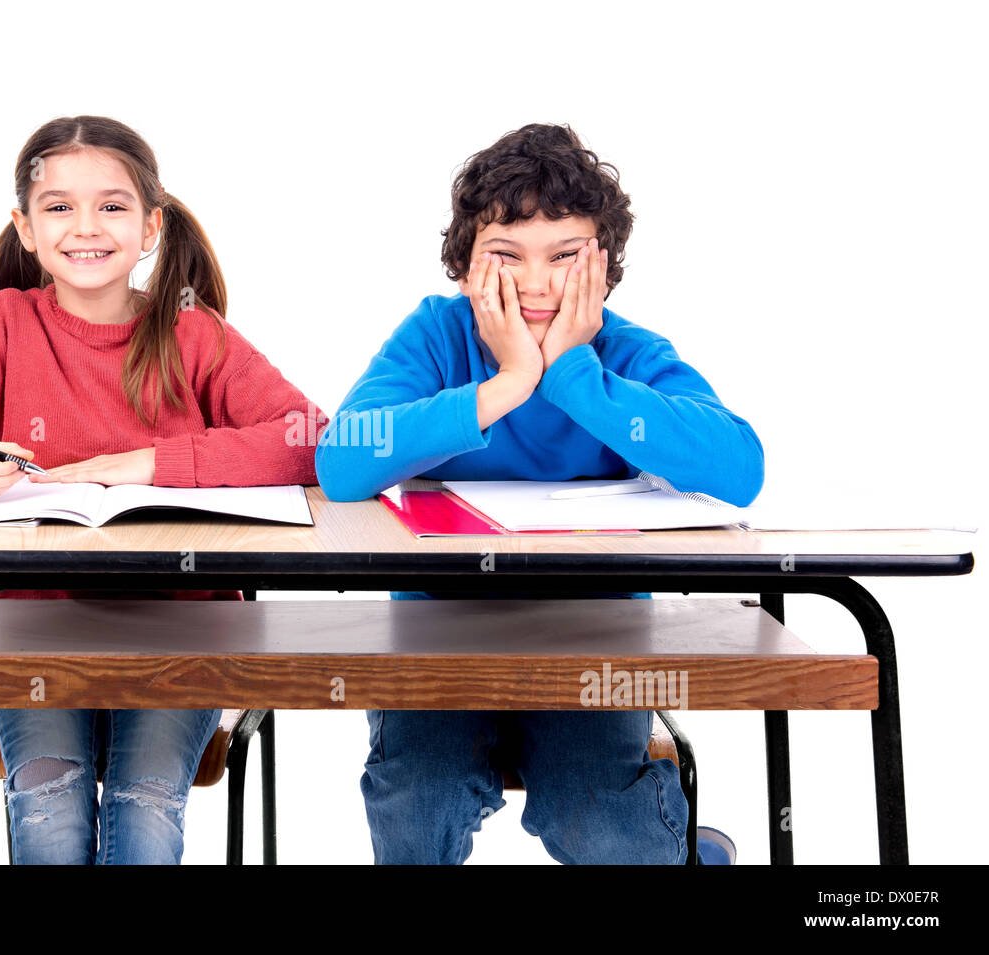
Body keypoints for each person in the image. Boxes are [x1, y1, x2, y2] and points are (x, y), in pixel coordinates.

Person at [0, 115, 323, 864]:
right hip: (33, 624)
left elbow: (309, 435)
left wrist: (151, 462)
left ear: (150, 226)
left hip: (184, 627)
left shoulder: (189, 329)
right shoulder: (3, 325)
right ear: (26, 228)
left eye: (111, 206)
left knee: (143, 813)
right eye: (58, 207)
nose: (86, 227)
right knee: (49, 815)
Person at [315, 123, 763, 864]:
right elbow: (342, 461)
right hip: (439, 634)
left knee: (599, 817)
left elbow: (738, 467)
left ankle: (679, 849)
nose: (536, 284)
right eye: (505, 257)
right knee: (416, 803)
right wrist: (505, 386)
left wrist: (571, 376)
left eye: (566, 258)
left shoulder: (624, 351)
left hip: (592, 633)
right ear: (463, 268)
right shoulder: (435, 336)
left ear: (605, 269)